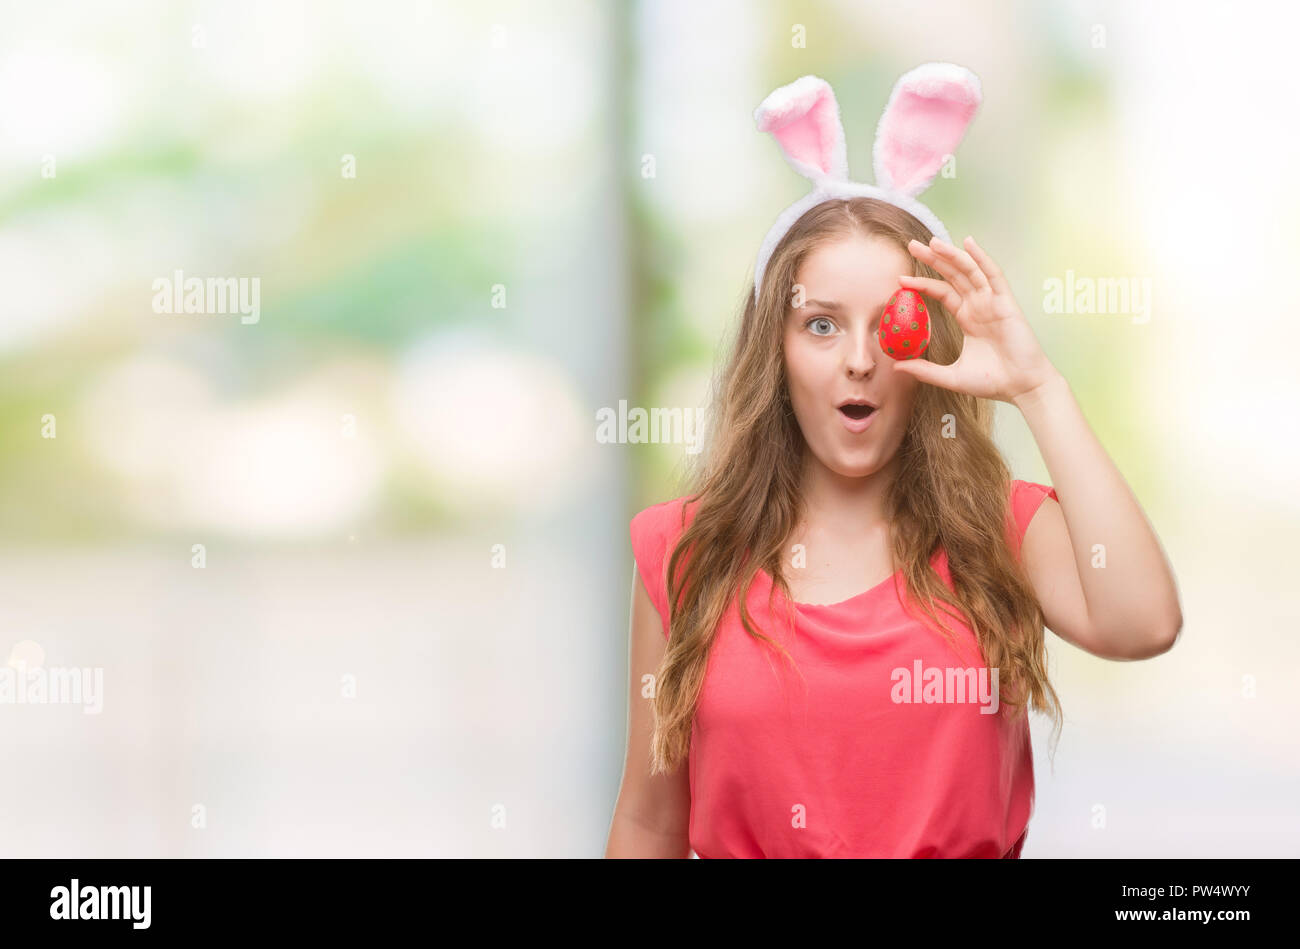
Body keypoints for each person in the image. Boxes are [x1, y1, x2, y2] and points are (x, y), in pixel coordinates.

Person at [605, 71, 1182, 859]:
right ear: (774, 349)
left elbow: (1144, 623)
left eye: (893, 323)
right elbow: (651, 822)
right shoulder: (682, 550)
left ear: (933, 345)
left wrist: (1037, 386)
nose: (859, 360)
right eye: (820, 325)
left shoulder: (1003, 530)